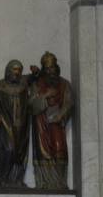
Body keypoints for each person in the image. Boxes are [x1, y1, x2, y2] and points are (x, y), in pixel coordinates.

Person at [28, 52, 74, 189]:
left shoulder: (65, 84)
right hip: (41, 123)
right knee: (43, 152)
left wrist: (60, 115)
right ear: (43, 70)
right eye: (47, 69)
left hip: (57, 123)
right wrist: (45, 96)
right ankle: (44, 183)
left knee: (59, 149)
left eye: (52, 68)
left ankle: (59, 182)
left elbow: (69, 102)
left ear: (56, 67)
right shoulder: (37, 84)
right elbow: (31, 104)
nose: (50, 71)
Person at [0, 60, 32, 187]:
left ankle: (16, 179)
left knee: (20, 152)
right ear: (8, 71)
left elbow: (31, 78)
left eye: (19, 70)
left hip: (21, 124)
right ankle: (2, 178)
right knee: (8, 149)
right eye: (14, 69)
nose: (17, 72)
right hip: (5, 123)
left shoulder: (22, 86)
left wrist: (35, 73)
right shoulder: (0, 86)